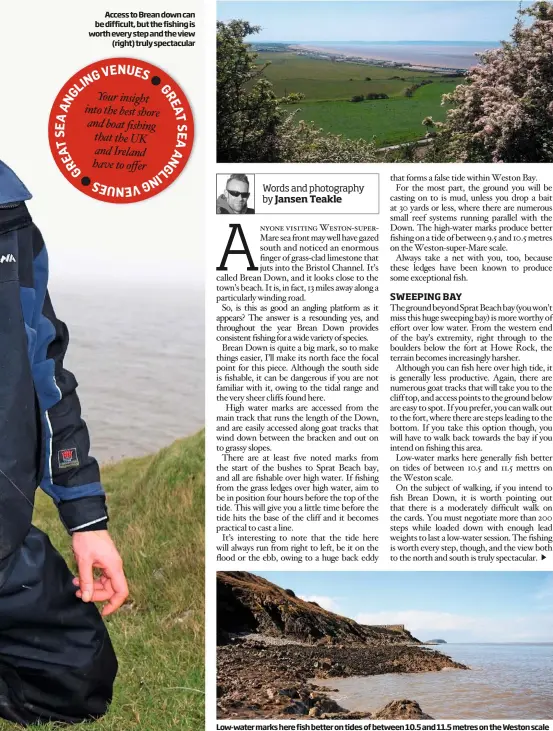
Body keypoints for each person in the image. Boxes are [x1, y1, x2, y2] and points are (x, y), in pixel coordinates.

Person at [0, 159, 129, 726]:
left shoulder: (10, 218)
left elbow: (43, 367)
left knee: (80, 681)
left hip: (2, 537)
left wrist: (86, 519)